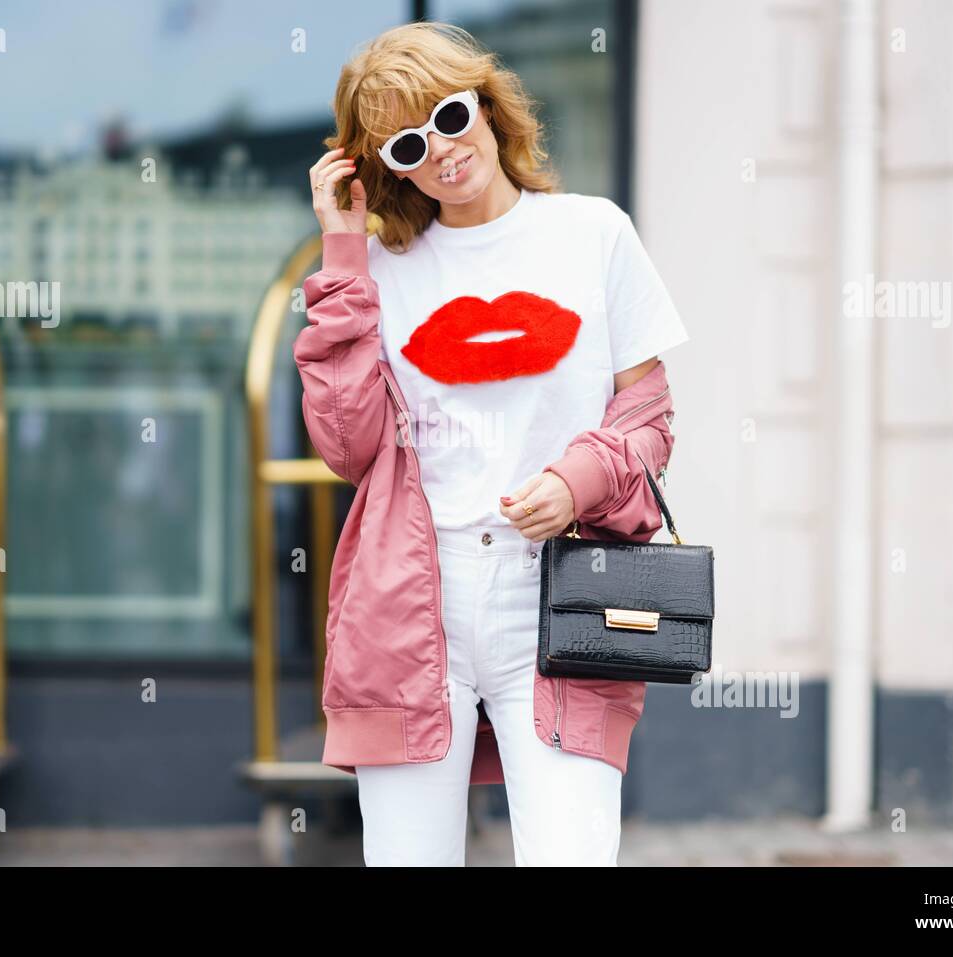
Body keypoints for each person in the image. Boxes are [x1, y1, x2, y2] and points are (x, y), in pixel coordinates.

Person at [294, 21, 688, 866]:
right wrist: (342, 252)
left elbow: (649, 420)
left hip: (559, 590)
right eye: (407, 143)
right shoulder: (381, 270)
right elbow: (348, 444)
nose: (440, 150)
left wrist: (576, 481)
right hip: (411, 597)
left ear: (486, 102)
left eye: (448, 115)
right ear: (383, 167)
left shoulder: (594, 234)